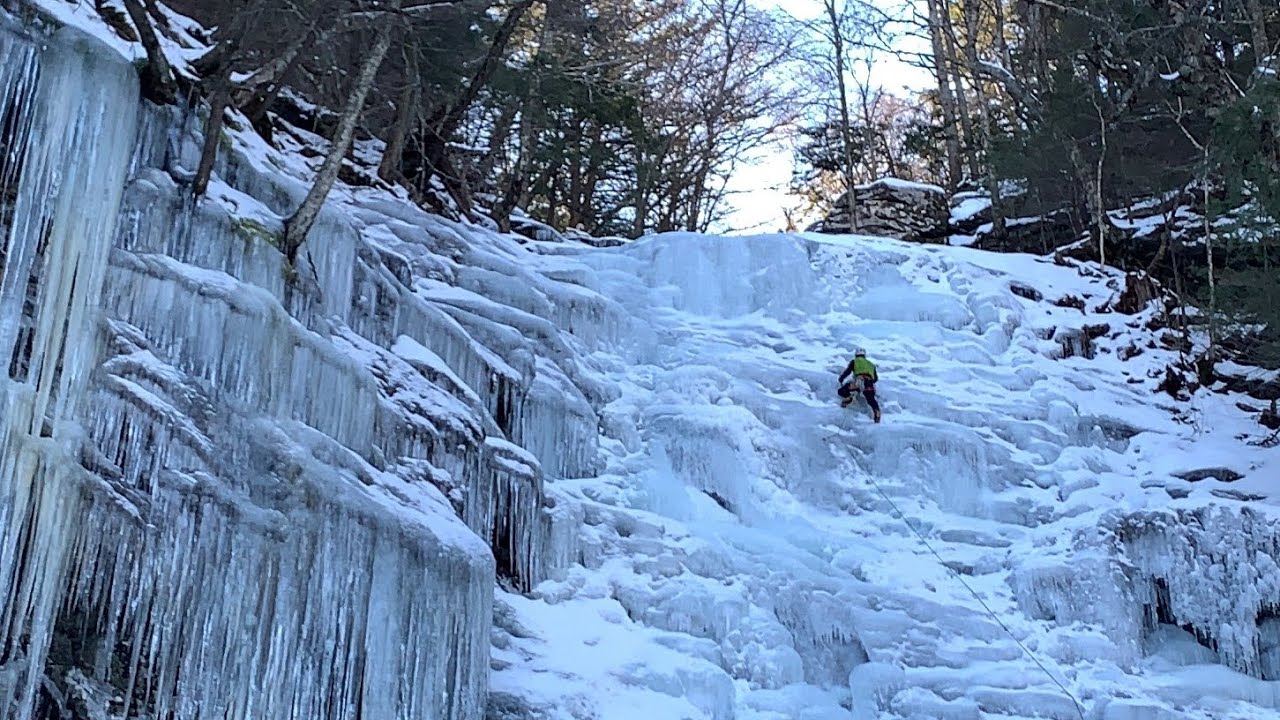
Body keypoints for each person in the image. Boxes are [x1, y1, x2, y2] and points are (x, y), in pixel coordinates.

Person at [838, 348, 881, 423]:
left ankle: (850, 397)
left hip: (859, 380)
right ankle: (876, 411)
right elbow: (876, 378)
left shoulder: (854, 361)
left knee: (843, 390)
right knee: (870, 399)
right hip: (869, 382)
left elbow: (848, 371)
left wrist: (841, 379)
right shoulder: (871, 364)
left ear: (856, 355)